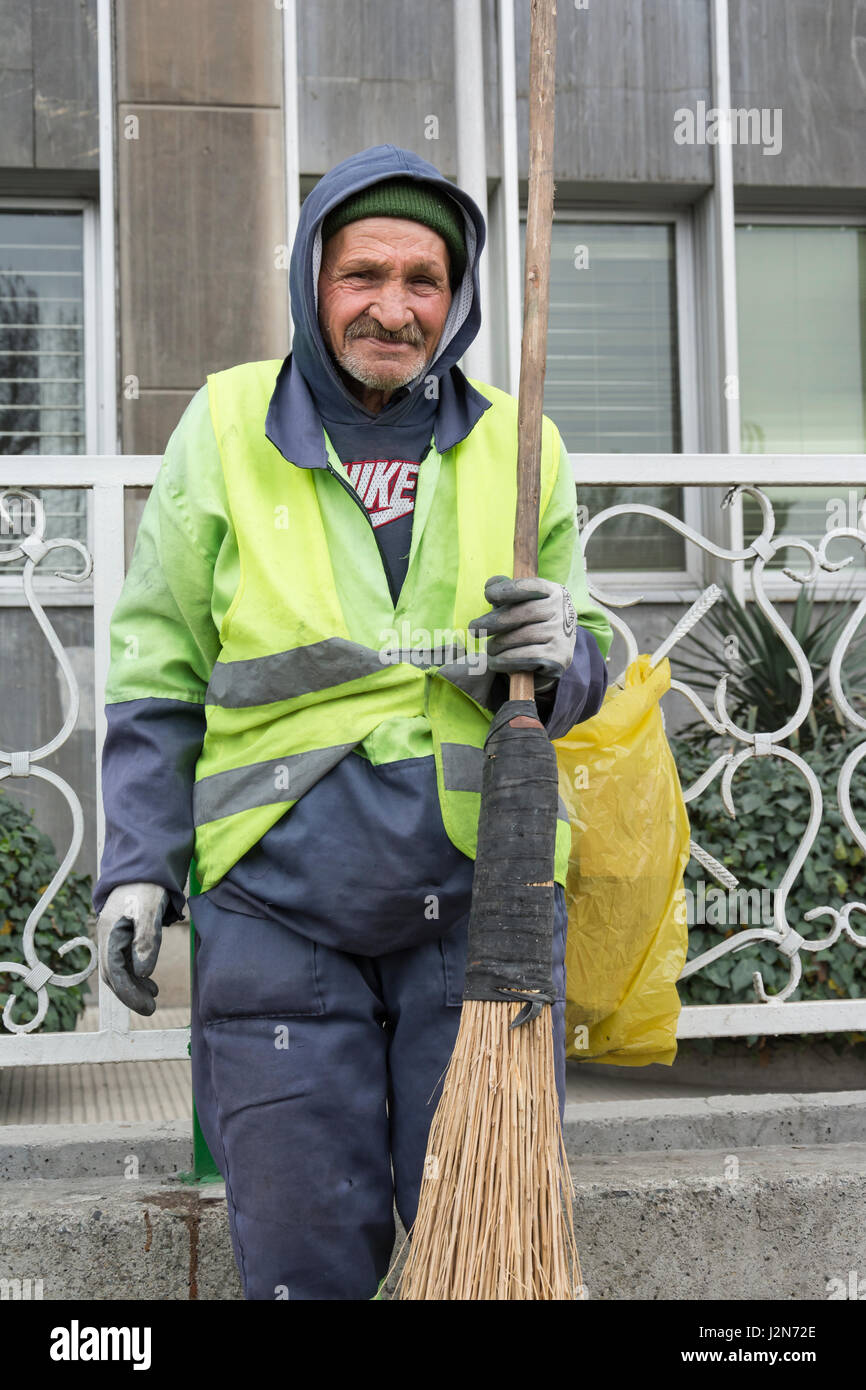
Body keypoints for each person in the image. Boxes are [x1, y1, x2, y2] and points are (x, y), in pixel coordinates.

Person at [93, 143, 613, 1300]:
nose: (392, 307)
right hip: (280, 905)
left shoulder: (520, 446)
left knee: (484, 1243)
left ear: (457, 298)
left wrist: (556, 653)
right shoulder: (225, 426)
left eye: (421, 280)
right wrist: (137, 866)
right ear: (310, 283)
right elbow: (157, 660)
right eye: (361, 274)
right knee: (300, 1254)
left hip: (479, 912)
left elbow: (585, 660)